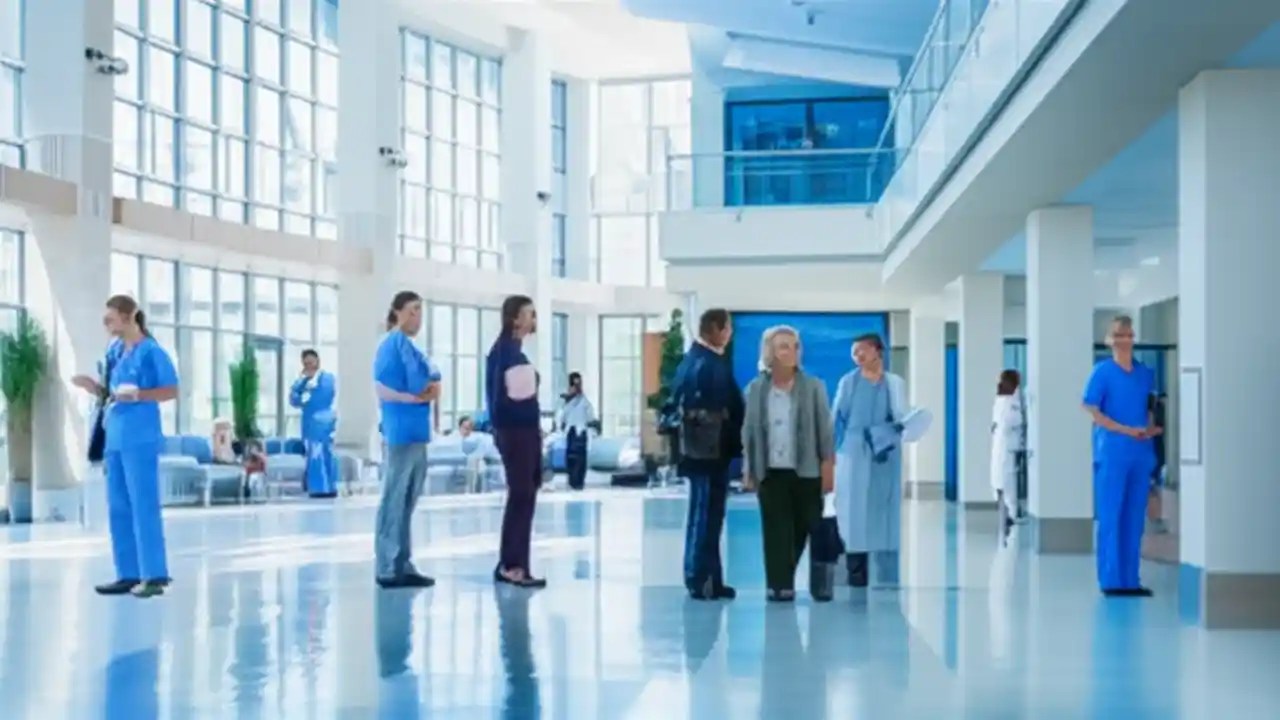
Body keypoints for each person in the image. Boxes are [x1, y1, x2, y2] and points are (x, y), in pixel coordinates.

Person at [72, 295, 179, 598]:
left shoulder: (151, 352)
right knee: (118, 506)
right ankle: (128, 573)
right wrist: (93, 387)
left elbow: (171, 390)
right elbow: (112, 392)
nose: (106, 324)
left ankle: (155, 574)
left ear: (129, 316)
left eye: (110, 318)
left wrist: (139, 396)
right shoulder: (116, 351)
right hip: (115, 437)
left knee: (143, 504)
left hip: (140, 437)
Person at [740, 326, 835, 602]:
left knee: (805, 525)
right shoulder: (757, 389)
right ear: (770, 352)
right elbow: (749, 432)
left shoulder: (813, 386)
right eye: (783, 346)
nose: (790, 351)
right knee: (775, 528)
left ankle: (786, 572)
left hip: (807, 469)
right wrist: (749, 469)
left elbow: (825, 430)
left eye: (794, 346)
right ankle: (779, 585)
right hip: (770, 470)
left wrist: (828, 467)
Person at [1083, 315, 1161, 597]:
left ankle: (1130, 580)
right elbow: (1092, 410)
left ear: (1133, 338)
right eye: (1117, 335)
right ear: (1109, 340)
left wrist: (1149, 428)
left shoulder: (1144, 373)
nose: (1123, 340)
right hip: (1113, 452)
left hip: (1140, 452)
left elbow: (1150, 406)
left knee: (1133, 517)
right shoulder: (1102, 372)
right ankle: (1111, 580)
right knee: (1111, 515)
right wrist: (1126, 430)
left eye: (1127, 334)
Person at [668, 308, 744, 601]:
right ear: (715, 329)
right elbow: (723, 408)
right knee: (707, 515)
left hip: (698, 452)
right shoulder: (708, 363)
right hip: (710, 452)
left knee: (704, 514)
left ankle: (707, 577)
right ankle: (702, 579)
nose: (730, 334)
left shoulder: (691, 361)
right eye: (728, 328)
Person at [373, 290, 441, 589]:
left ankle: (403, 561)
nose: (417, 317)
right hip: (400, 432)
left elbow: (432, 380)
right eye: (412, 310)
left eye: (420, 311)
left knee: (408, 500)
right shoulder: (390, 346)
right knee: (394, 499)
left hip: (416, 432)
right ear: (398, 312)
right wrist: (416, 395)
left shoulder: (412, 348)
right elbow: (392, 386)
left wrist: (424, 390)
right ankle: (387, 565)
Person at [833, 333, 908, 588]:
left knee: (883, 509)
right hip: (854, 451)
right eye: (854, 353)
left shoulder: (894, 383)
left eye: (862, 351)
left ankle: (886, 572)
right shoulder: (848, 382)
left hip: (885, 452)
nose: (858, 356)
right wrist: (830, 452)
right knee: (853, 510)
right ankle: (856, 571)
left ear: (878, 351)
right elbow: (837, 417)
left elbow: (902, 416)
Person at [486, 294, 546, 589]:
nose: (533, 320)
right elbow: (508, 399)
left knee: (525, 495)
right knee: (521, 494)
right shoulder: (505, 353)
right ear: (514, 319)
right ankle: (511, 564)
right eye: (529, 314)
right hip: (515, 433)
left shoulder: (513, 352)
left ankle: (518, 562)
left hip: (522, 431)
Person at [290, 348, 338, 498]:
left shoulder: (328, 378)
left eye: (311, 362)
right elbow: (294, 400)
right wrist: (303, 382)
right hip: (309, 423)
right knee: (313, 454)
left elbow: (325, 396)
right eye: (305, 363)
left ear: (317, 361)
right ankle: (318, 488)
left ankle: (328, 487)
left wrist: (308, 390)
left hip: (325, 421)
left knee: (326, 454)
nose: (309, 365)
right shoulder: (301, 382)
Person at [990, 369, 1025, 537]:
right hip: (1007, 447)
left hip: (1003, 446)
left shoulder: (1000, 401)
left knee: (1002, 479)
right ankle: (1011, 513)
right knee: (1007, 478)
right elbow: (1014, 421)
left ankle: (1009, 511)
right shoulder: (1009, 402)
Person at [558, 371, 595, 491]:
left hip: (580, 432)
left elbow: (590, 417)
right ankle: (572, 481)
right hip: (571, 432)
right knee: (571, 458)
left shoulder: (585, 402)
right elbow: (562, 419)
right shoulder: (566, 403)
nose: (576, 388)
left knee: (580, 459)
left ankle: (578, 482)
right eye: (573, 385)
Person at [1147, 393, 1169, 534]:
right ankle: (1154, 518)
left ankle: (1155, 518)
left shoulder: (1156, 405)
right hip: (1144, 451)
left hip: (1153, 452)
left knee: (1153, 486)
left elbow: (1159, 428)